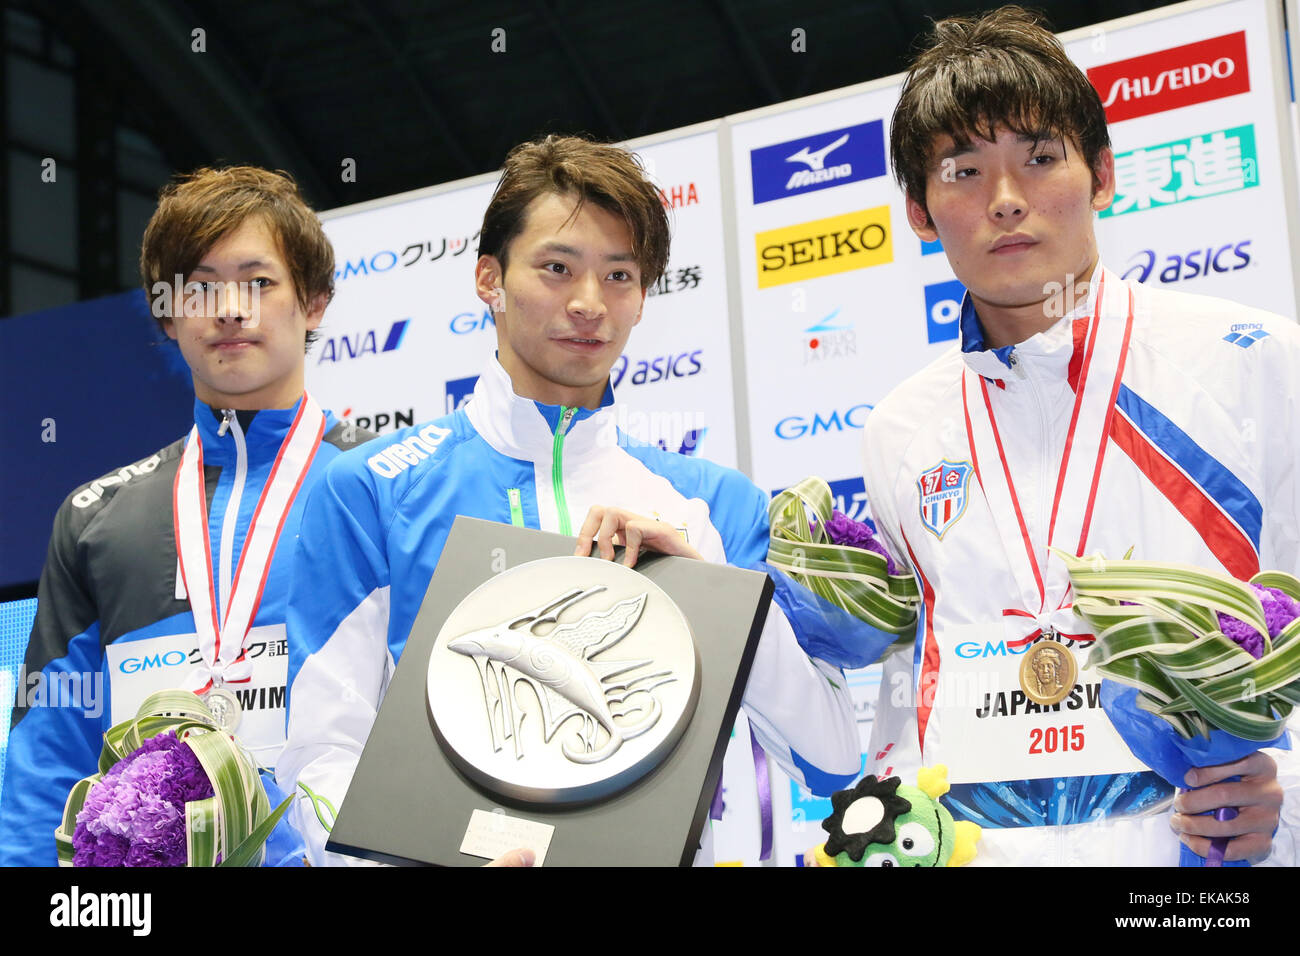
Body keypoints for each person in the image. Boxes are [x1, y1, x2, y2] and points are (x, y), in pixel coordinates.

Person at [278, 135, 862, 866]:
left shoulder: (717, 505)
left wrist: (715, 589)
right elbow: (322, 754)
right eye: (557, 269)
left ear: (644, 297)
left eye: (620, 275)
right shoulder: (372, 487)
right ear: (488, 279)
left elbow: (834, 759)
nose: (590, 304)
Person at [860, 6, 1298, 865]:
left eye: (1039, 157)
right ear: (918, 211)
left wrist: (1291, 796)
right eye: (963, 171)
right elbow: (904, 693)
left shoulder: (1251, 362)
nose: (1007, 200)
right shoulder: (900, 432)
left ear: (1100, 173)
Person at [0, 166, 372, 866]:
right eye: (199, 287)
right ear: (166, 313)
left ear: (315, 301)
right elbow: (50, 753)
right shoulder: (97, 518)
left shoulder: (390, 488)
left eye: (259, 283)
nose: (230, 310)